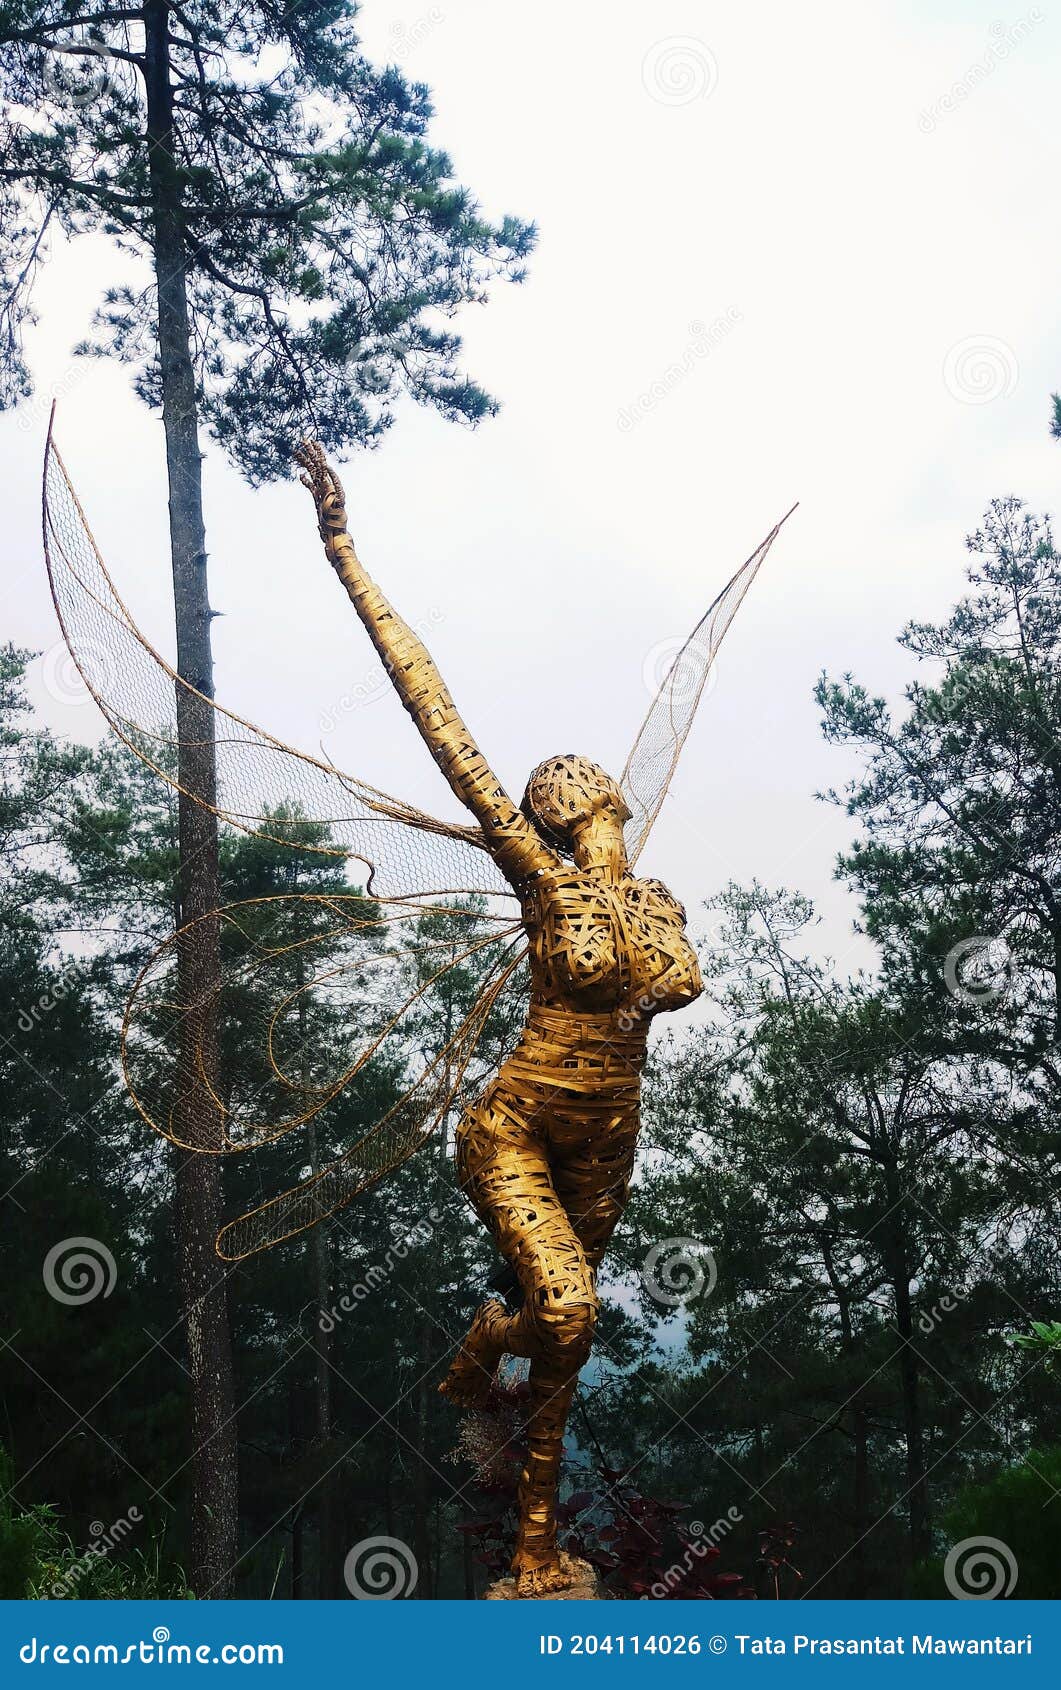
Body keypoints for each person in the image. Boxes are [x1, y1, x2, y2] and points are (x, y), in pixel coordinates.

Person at [296, 442, 702, 1595]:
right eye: (544, 784)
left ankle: (535, 1549)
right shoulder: (536, 874)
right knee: (560, 1309)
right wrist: (343, 553)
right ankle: (482, 1349)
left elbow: (671, 980)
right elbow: (437, 714)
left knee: (567, 1343)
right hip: (518, 1119)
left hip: (612, 1127)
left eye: (576, 779)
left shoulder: (649, 896)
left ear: (607, 795)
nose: (559, 785)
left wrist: (640, 935)